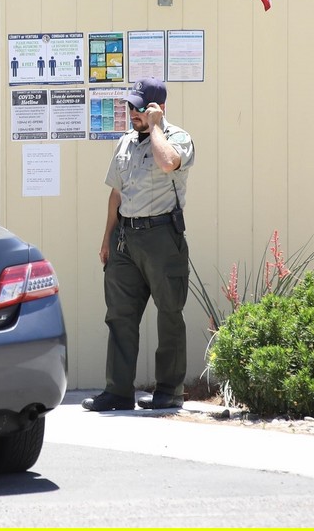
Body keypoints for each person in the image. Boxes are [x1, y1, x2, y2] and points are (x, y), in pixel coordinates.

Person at [82, 77, 195, 412]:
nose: (132, 113)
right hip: (124, 239)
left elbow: (167, 163)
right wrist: (107, 238)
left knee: (169, 313)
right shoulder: (125, 142)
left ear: (157, 108)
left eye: (139, 107)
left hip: (161, 235)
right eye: (130, 106)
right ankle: (117, 391)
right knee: (119, 315)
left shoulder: (177, 139)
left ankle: (169, 390)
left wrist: (156, 125)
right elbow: (116, 193)